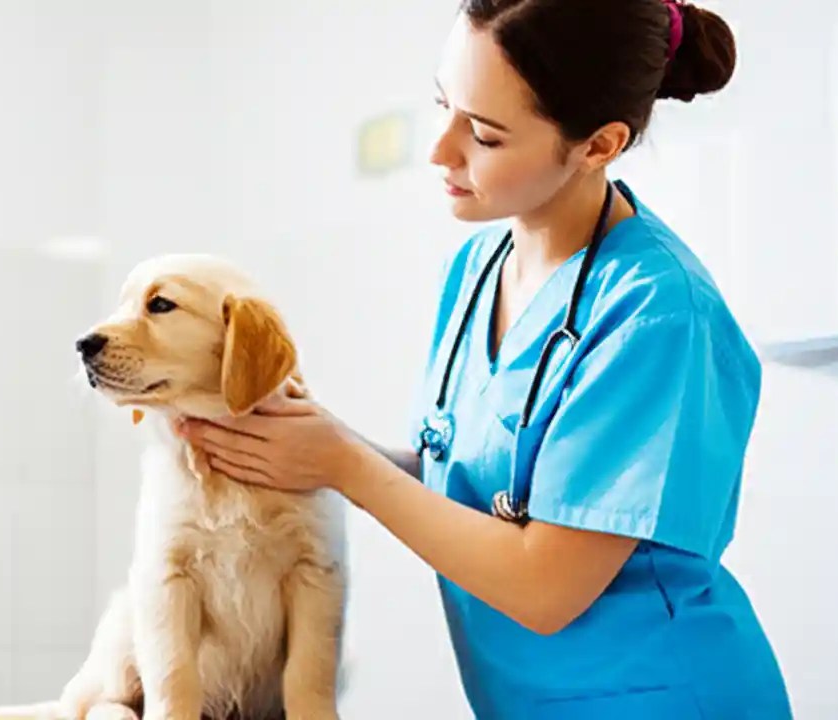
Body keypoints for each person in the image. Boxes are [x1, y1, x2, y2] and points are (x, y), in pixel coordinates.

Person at [176, 0, 793, 717]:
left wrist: (339, 463)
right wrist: (310, 439)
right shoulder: (477, 270)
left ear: (598, 144)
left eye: (485, 134)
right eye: (444, 104)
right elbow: (474, 484)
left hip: (661, 697)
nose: (440, 149)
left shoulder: (657, 312)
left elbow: (544, 586)